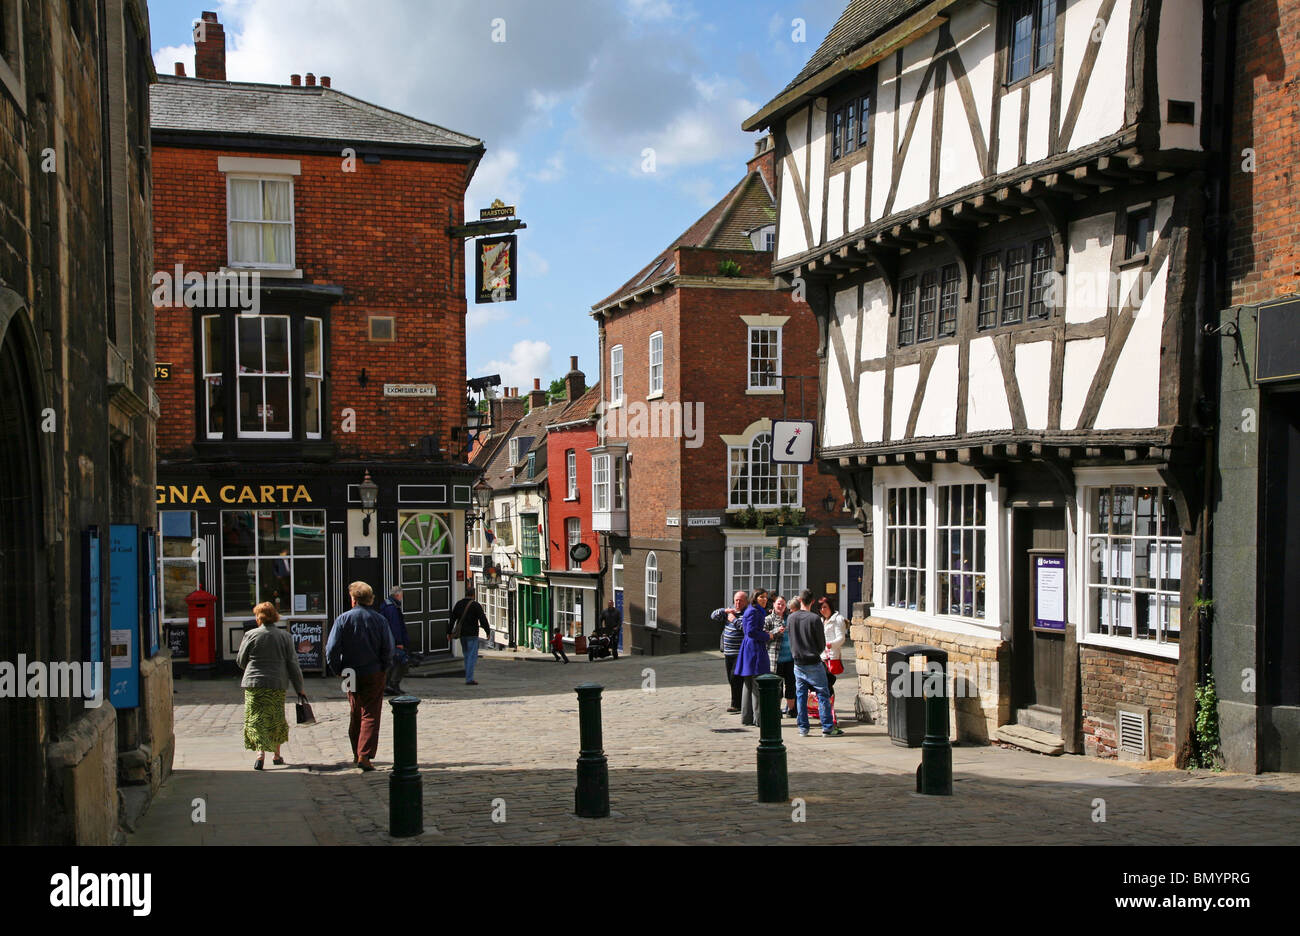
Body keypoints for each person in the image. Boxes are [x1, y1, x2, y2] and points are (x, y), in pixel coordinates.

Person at [325, 581, 394, 770]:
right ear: (370, 599)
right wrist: (384, 668)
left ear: (354, 599)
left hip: (349, 672)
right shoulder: (380, 620)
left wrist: (337, 669)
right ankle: (364, 754)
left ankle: (357, 752)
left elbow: (331, 649)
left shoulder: (343, 619)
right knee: (370, 713)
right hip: (373, 671)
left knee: (355, 712)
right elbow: (388, 648)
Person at [236, 602, 307, 770]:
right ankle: (276, 755)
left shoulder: (250, 634)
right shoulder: (284, 637)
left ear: (258, 617)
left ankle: (260, 755)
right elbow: (293, 664)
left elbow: (240, 661)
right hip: (277, 683)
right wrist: (299, 687)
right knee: (275, 718)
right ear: (274, 616)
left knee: (256, 718)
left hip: (254, 683)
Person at [788, 588, 840, 737]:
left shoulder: (791, 618)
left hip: (797, 662)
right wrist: (815, 652)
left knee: (801, 695)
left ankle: (803, 728)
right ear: (811, 601)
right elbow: (820, 644)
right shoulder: (814, 618)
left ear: (799, 601)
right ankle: (827, 727)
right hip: (813, 662)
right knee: (822, 694)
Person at [733, 588, 772, 727]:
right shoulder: (753, 611)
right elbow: (750, 632)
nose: (764, 599)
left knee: (749, 684)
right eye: (761, 597)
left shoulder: (754, 610)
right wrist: (767, 636)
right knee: (756, 683)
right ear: (755, 598)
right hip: (753, 649)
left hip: (751, 647)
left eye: (766, 597)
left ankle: (747, 718)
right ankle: (758, 719)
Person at [711, 591, 748, 712]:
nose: (737, 603)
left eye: (740, 600)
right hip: (728, 651)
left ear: (746, 601)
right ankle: (737, 702)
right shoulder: (730, 612)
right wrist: (725, 611)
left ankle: (736, 704)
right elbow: (713, 615)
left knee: (735, 677)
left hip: (740, 652)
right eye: (736, 600)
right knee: (730, 678)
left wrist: (733, 620)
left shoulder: (747, 614)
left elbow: (745, 628)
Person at [818, 596, 848, 730]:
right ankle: (825, 713)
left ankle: (831, 715)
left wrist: (829, 645)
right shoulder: (821, 620)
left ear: (830, 607)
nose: (822, 610)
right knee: (824, 685)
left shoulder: (838, 619)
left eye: (825, 607)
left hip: (831, 656)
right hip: (822, 656)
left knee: (828, 684)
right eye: (820, 608)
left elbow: (841, 638)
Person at [450, 586, 490, 685]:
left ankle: (468, 676)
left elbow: (452, 619)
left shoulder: (459, 604)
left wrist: (448, 632)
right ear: (473, 595)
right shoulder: (476, 605)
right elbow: (483, 619)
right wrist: (487, 631)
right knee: (472, 657)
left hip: (462, 634)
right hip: (472, 634)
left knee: (467, 655)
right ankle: (469, 678)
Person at [765, 596, 797, 718]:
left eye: (783, 604)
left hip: (790, 658)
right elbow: (763, 636)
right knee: (776, 686)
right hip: (775, 658)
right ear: (774, 604)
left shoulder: (790, 619)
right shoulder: (768, 619)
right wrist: (776, 631)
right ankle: (776, 710)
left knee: (791, 685)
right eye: (778, 604)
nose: (780, 606)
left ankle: (791, 709)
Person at [379, 586, 410, 695]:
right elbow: (395, 626)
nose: (402, 597)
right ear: (397, 595)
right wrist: (399, 642)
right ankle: (391, 685)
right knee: (400, 663)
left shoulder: (388, 605)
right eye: (401, 595)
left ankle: (391, 685)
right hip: (393, 642)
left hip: (388, 641)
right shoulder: (392, 608)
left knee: (393, 664)